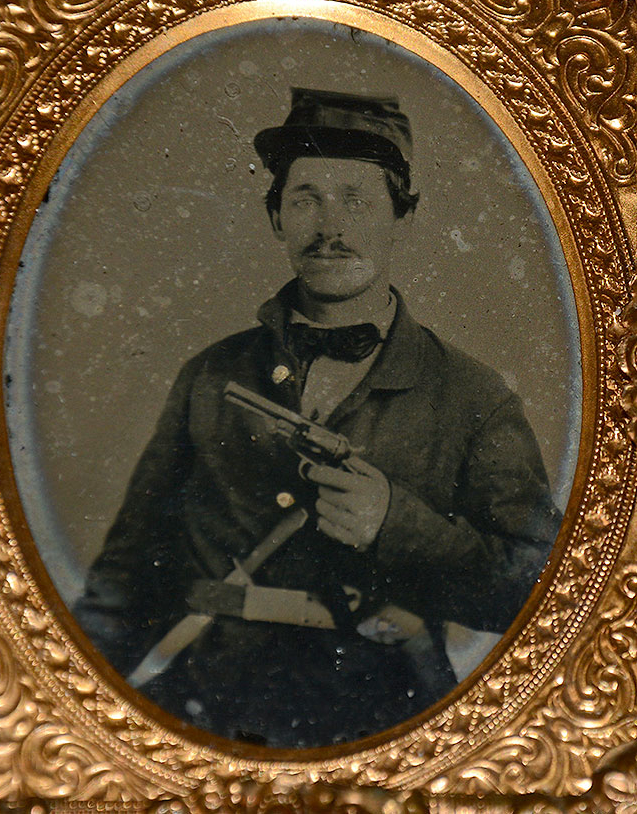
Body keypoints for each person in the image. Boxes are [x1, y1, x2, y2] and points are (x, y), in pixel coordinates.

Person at [74, 88, 562, 748]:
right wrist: (67, 712)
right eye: (305, 199)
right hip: (213, 710)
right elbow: (126, 580)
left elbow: (546, 593)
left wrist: (397, 523)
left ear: (402, 217)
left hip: (393, 723)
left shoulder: (472, 397)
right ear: (276, 218)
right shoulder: (212, 376)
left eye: (357, 200)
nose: (329, 226)